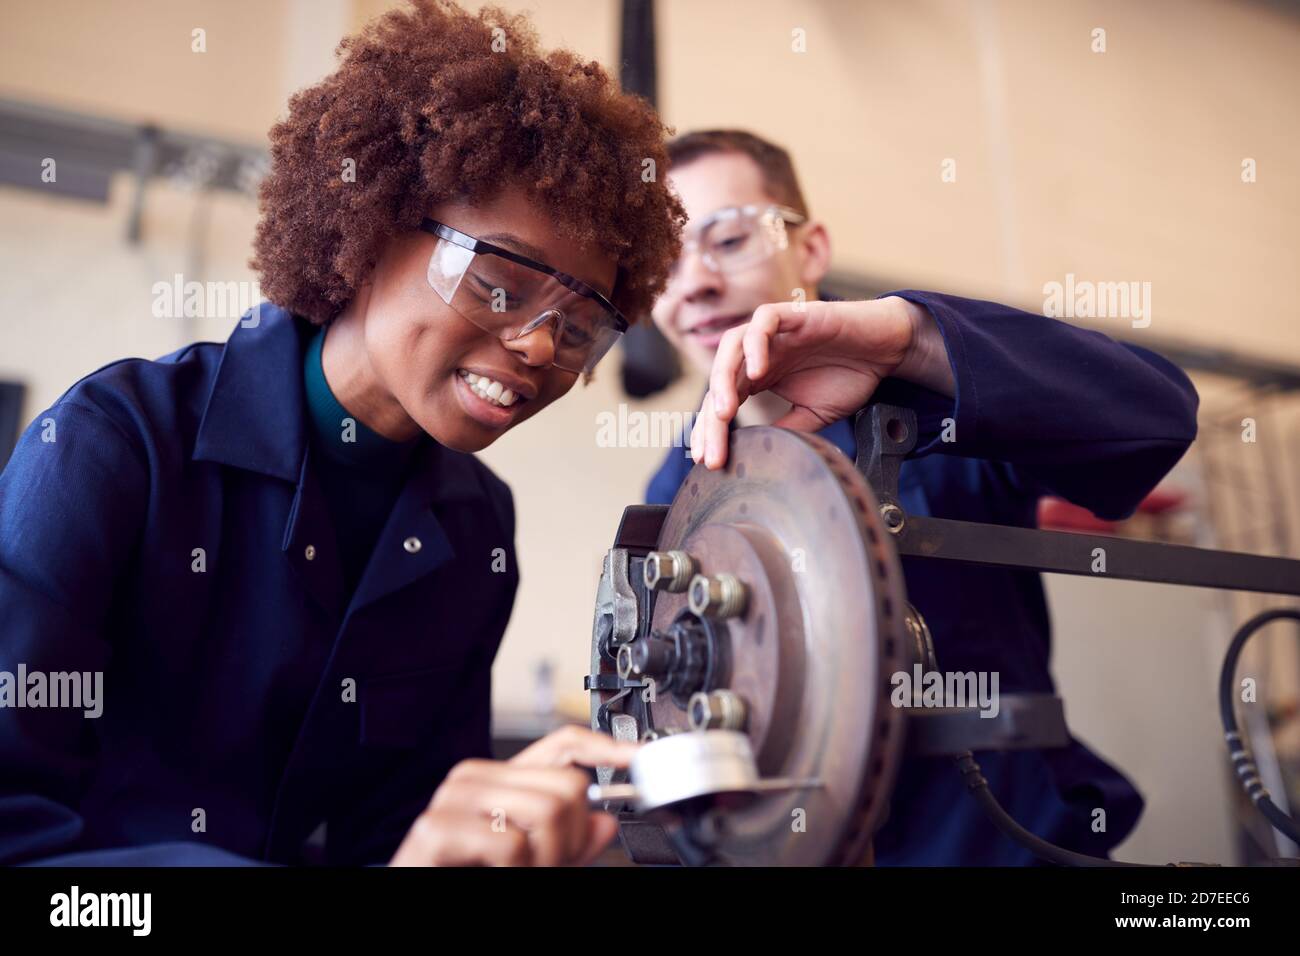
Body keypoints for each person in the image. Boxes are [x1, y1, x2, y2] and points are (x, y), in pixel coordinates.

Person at [0, 0, 685, 867]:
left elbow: (402, 835)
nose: (542, 345)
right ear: (371, 229)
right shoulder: (111, 450)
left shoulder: (475, 530)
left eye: (582, 322)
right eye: (501, 283)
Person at [646, 129, 1200, 864]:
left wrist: (914, 342)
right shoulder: (677, 487)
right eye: (663, 262)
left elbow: (1157, 420)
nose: (693, 284)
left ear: (809, 250)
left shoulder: (933, 397)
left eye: (728, 238)